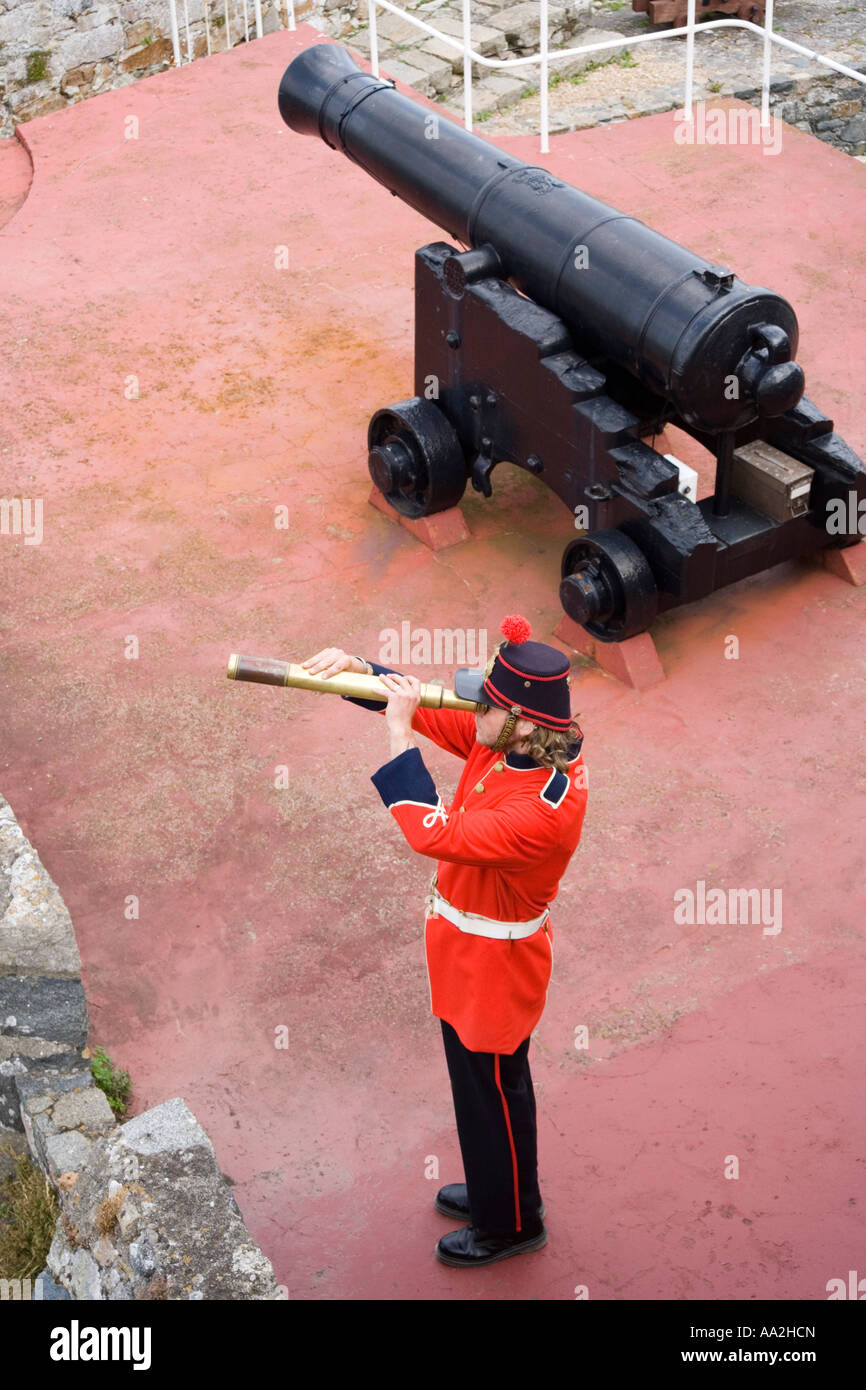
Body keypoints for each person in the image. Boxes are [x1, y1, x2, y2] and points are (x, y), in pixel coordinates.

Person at [300, 615, 588, 1267]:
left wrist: (398, 733)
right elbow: (435, 713)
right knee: (484, 1092)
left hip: (495, 969)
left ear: (521, 720)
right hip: (470, 957)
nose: (470, 707)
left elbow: (430, 829)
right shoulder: (516, 742)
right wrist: (358, 670)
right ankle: (502, 1192)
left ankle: (510, 1224)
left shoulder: (541, 810)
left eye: (485, 702)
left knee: (490, 1096)